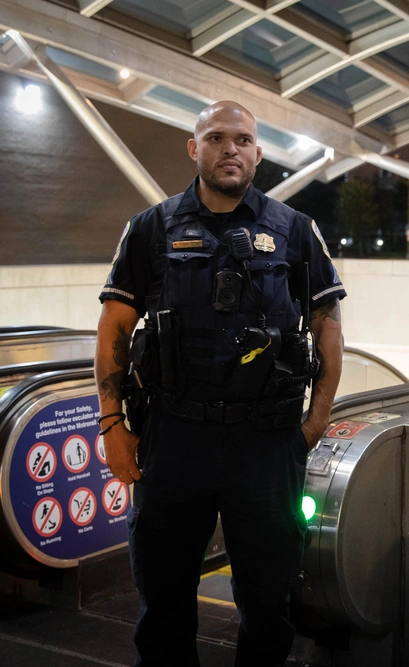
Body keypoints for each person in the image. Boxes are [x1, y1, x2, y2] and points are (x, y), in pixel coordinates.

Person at [94, 101, 346, 666]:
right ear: (194, 148)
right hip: (174, 439)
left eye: (242, 139)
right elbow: (114, 324)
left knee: (266, 602)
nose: (229, 148)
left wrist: (317, 419)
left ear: (258, 152)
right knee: (163, 599)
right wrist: (112, 422)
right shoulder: (151, 227)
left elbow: (328, 324)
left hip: (266, 444)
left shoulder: (296, 232)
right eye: (215, 137)